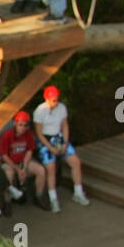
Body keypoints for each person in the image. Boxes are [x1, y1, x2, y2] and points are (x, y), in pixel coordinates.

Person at [32, 83, 90, 211]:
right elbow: (39, 133)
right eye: (53, 100)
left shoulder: (61, 108)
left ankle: (78, 192)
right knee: (50, 167)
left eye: (57, 99)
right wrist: (50, 147)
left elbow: (64, 125)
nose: (56, 102)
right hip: (45, 140)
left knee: (75, 161)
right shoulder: (39, 111)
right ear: (47, 99)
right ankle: (53, 198)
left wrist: (65, 142)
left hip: (58, 137)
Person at [0, 111, 46, 213]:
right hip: (9, 163)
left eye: (25, 125)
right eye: (20, 125)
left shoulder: (29, 134)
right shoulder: (6, 135)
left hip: (23, 162)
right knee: (8, 174)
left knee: (41, 170)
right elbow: (4, 156)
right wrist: (18, 169)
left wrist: (24, 167)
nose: (22, 128)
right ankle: (7, 202)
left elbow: (29, 151)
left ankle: (38, 197)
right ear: (15, 124)